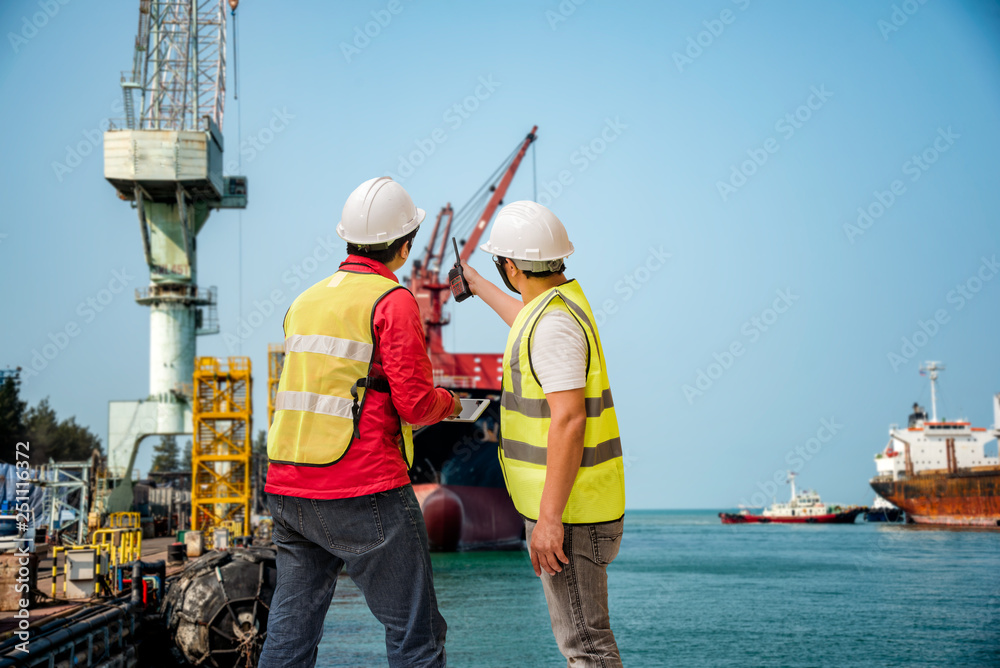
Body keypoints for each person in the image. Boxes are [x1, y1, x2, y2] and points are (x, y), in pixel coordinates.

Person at [259, 177, 461, 668]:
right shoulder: (392, 301)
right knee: (417, 634)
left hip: (288, 490)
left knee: (290, 632)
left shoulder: (304, 301)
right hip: (362, 489)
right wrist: (451, 405)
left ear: (346, 238)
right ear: (406, 244)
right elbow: (415, 405)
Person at [461, 201, 626, 667]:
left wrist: (549, 519)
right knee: (585, 644)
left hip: (570, 517)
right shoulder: (554, 308)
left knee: (586, 649)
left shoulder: (552, 326)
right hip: (576, 508)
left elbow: (570, 419)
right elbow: (527, 324)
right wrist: (479, 287)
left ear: (511, 264)